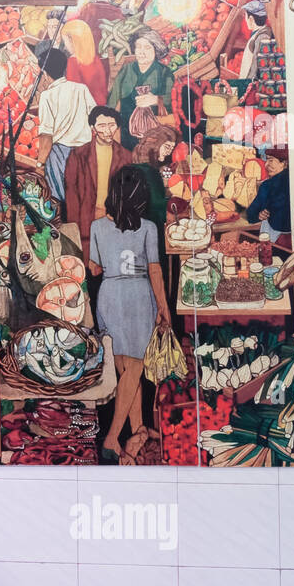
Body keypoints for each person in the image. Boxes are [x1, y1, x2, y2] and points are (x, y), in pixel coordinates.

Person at [88, 165, 171, 464]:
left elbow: (94, 268)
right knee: (135, 367)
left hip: (109, 296)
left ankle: (137, 430)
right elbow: (154, 269)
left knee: (127, 368)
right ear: (140, 199)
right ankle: (112, 439)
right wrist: (163, 306)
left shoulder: (97, 226)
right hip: (138, 297)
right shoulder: (148, 227)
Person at [64, 106, 133, 262]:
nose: (108, 131)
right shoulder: (78, 154)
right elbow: (71, 192)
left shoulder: (127, 157)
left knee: (113, 262)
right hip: (86, 217)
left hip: (114, 219)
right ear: (92, 127)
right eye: (102, 126)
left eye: (112, 125)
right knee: (89, 264)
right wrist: (74, 227)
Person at [34, 46, 96, 202]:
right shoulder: (81, 89)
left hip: (60, 155)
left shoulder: (47, 96)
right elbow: (96, 117)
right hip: (85, 152)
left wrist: (40, 165)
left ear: (45, 75)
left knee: (60, 200)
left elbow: (47, 136)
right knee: (82, 197)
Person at [107, 27, 174, 150]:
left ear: (156, 49)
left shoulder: (165, 72)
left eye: (147, 47)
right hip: (127, 132)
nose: (142, 52)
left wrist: (156, 100)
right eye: (139, 47)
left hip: (155, 134)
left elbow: (174, 100)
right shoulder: (126, 70)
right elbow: (113, 99)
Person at [245, 150, 291, 245]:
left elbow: (250, 214)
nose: (266, 165)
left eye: (271, 160)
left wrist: (258, 215)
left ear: (283, 163)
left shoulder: (267, 185)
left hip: (275, 239)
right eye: (267, 160)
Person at [59, 19, 108, 107]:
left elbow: (74, 93)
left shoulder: (73, 62)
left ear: (73, 41)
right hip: (100, 105)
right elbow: (103, 87)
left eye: (65, 41)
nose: (65, 47)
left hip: (84, 108)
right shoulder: (95, 59)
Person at [238, 0, 273, 80]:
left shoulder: (262, 37)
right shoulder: (258, 34)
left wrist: (248, 83)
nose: (245, 21)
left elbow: (256, 66)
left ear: (251, 19)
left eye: (245, 17)